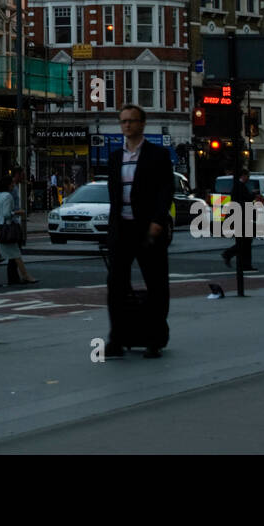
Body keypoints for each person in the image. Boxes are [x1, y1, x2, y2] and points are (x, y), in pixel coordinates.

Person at [106, 103, 172, 358]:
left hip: (147, 230)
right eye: (123, 121)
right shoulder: (114, 158)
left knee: (156, 285)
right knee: (116, 285)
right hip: (121, 228)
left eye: (132, 121)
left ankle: (155, 339)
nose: (127, 125)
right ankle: (117, 338)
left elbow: (165, 190)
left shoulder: (158, 155)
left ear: (142, 124)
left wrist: (157, 220)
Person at [0, 169, 37, 287]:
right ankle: (25, 275)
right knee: (16, 253)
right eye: (12, 184)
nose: (13, 185)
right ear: (8, 185)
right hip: (6, 227)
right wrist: (18, 212)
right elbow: (7, 214)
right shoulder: (8, 196)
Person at [221, 168, 261, 273]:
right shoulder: (239, 186)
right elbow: (243, 200)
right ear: (243, 175)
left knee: (246, 241)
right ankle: (229, 254)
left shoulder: (239, 186)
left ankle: (245, 264)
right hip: (241, 217)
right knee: (244, 241)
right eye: (247, 176)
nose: (248, 178)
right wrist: (253, 195)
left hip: (242, 217)